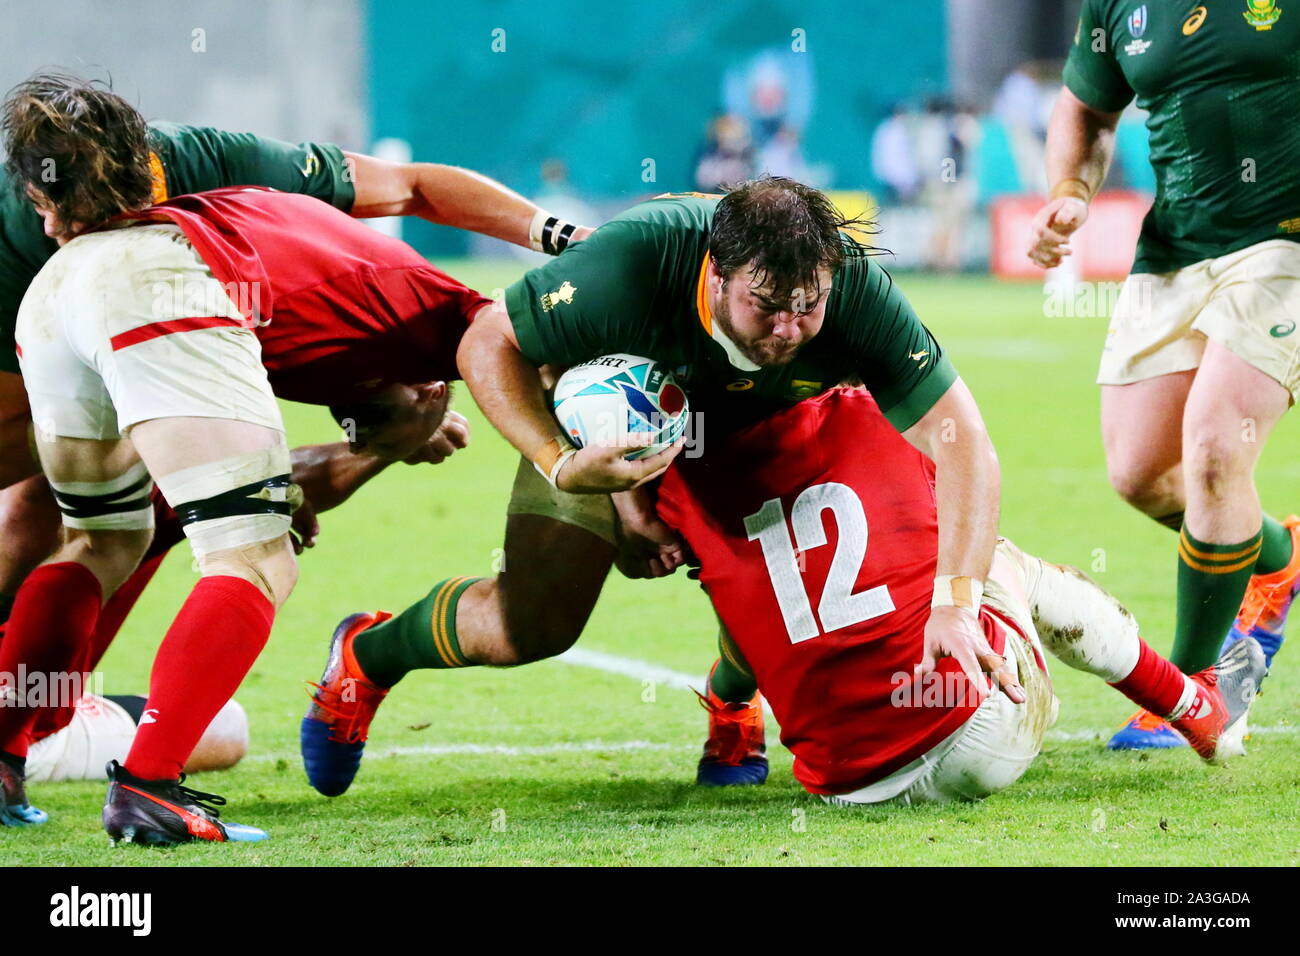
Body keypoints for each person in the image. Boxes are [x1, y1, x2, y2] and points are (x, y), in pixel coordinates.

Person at [302, 177, 1009, 801]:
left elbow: (965, 441)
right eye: (766, 306)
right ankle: (370, 654)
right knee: (533, 626)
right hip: (603, 433)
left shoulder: (854, 291)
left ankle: (732, 700)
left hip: (758, 432)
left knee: (789, 583)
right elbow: (487, 343)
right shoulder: (632, 263)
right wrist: (570, 467)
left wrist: (955, 602)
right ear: (715, 273)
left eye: (809, 306)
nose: (789, 329)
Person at [0, 75, 522, 843]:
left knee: (95, 538)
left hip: (47, 314)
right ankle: (150, 789)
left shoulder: (47, 247)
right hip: (156, 286)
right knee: (252, 559)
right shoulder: (226, 195)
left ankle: (5, 757)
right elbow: (381, 297)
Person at [0, 69, 592, 625]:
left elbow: (411, 187)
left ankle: (35, 704)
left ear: (150, 168)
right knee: (58, 504)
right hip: (46, 363)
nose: (65, 232)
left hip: (176, 355)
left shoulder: (206, 161)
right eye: (64, 220)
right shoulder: (20, 249)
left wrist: (571, 240)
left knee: (139, 514)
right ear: (38, 201)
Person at [655, 387, 1265, 801]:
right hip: (977, 736)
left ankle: (730, 721)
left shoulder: (678, 477)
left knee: (760, 590)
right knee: (998, 560)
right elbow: (959, 497)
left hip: (839, 785)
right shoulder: (874, 408)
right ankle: (1192, 704)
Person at [1025, 0, 1300, 749]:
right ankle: (1278, 561)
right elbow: (1084, 108)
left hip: (1286, 246)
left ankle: (1193, 690)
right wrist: (1070, 195)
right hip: (1176, 249)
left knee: (1215, 452)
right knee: (1144, 474)